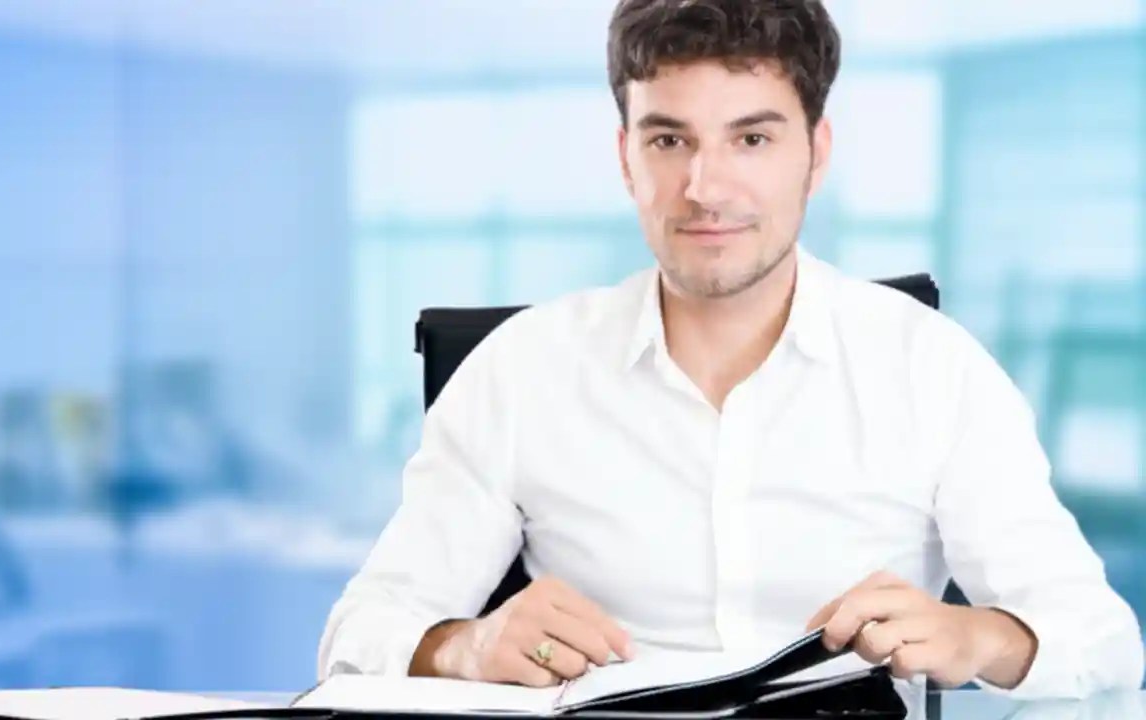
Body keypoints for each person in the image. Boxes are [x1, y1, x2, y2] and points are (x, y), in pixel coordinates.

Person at [318, 0, 1143, 700]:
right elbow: (358, 637)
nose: (706, 189)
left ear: (816, 154)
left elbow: (1106, 643)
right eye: (669, 141)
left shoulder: (934, 367)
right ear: (625, 157)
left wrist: (978, 640)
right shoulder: (519, 368)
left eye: (752, 140)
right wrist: (462, 647)